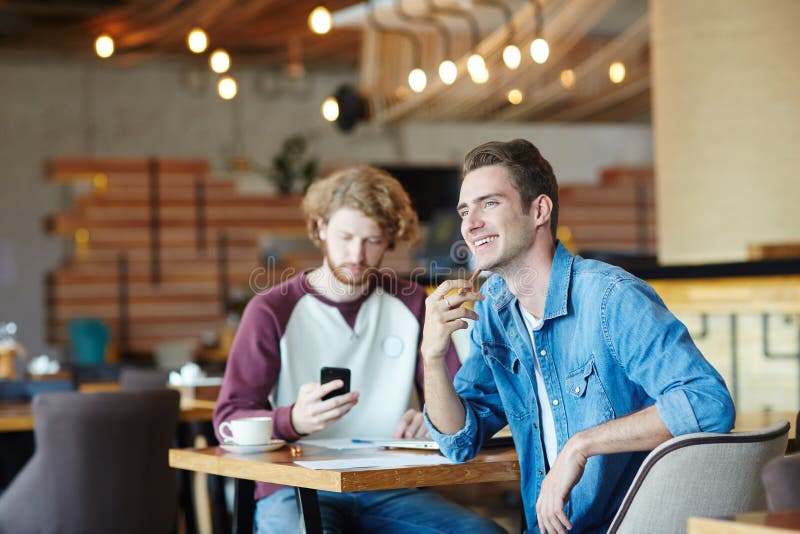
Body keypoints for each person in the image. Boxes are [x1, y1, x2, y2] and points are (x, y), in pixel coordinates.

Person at [420, 139, 736, 534]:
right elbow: (460, 439)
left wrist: (582, 445)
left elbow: (708, 403)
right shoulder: (496, 311)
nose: (469, 224)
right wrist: (432, 357)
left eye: (490, 204)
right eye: (465, 210)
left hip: (625, 525)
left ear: (539, 210)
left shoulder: (610, 297)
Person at [214, 165, 505, 534]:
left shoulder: (412, 301)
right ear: (320, 228)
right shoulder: (272, 309)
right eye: (346, 236)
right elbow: (228, 419)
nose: (357, 254)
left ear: (390, 240)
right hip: (296, 486)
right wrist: (293, 420)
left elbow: (457, 396)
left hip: (387, 485)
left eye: (372, 240)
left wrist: (432, 418)